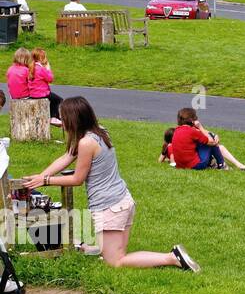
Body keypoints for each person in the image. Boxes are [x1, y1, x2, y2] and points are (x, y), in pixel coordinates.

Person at [20, 96, 200, 272]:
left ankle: (172, 257)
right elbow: (66, 157)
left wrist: (46, 181)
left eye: (62, 117)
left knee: (115, 261)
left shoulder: (86, 143)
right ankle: (95, 248)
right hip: (123, 201)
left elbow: (77, 179)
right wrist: (39, 177)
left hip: (109, 208)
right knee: (114, 252)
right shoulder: (100, 131)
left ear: (73, 119)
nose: (60, 122)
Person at [170, 107, 245, 170]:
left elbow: (202, 133)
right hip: (195, 165)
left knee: (207, 141)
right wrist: (201, 127)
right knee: (211, 143)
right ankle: (221, 165)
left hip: (180, 166)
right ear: (192, 120)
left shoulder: (177, 130)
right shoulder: (192, 131)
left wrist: (213, 134)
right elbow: (212, 142)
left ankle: (215, 163)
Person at [28, 48, 62, 124]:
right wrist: (48, 69)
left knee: (52, 99)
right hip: (42, 94)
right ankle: (53, 117)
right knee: (58, 100)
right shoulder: (41, 69)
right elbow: (50, 79)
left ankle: (51, 116)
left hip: (33, 94)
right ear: (41, 58)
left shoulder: (30, 68)